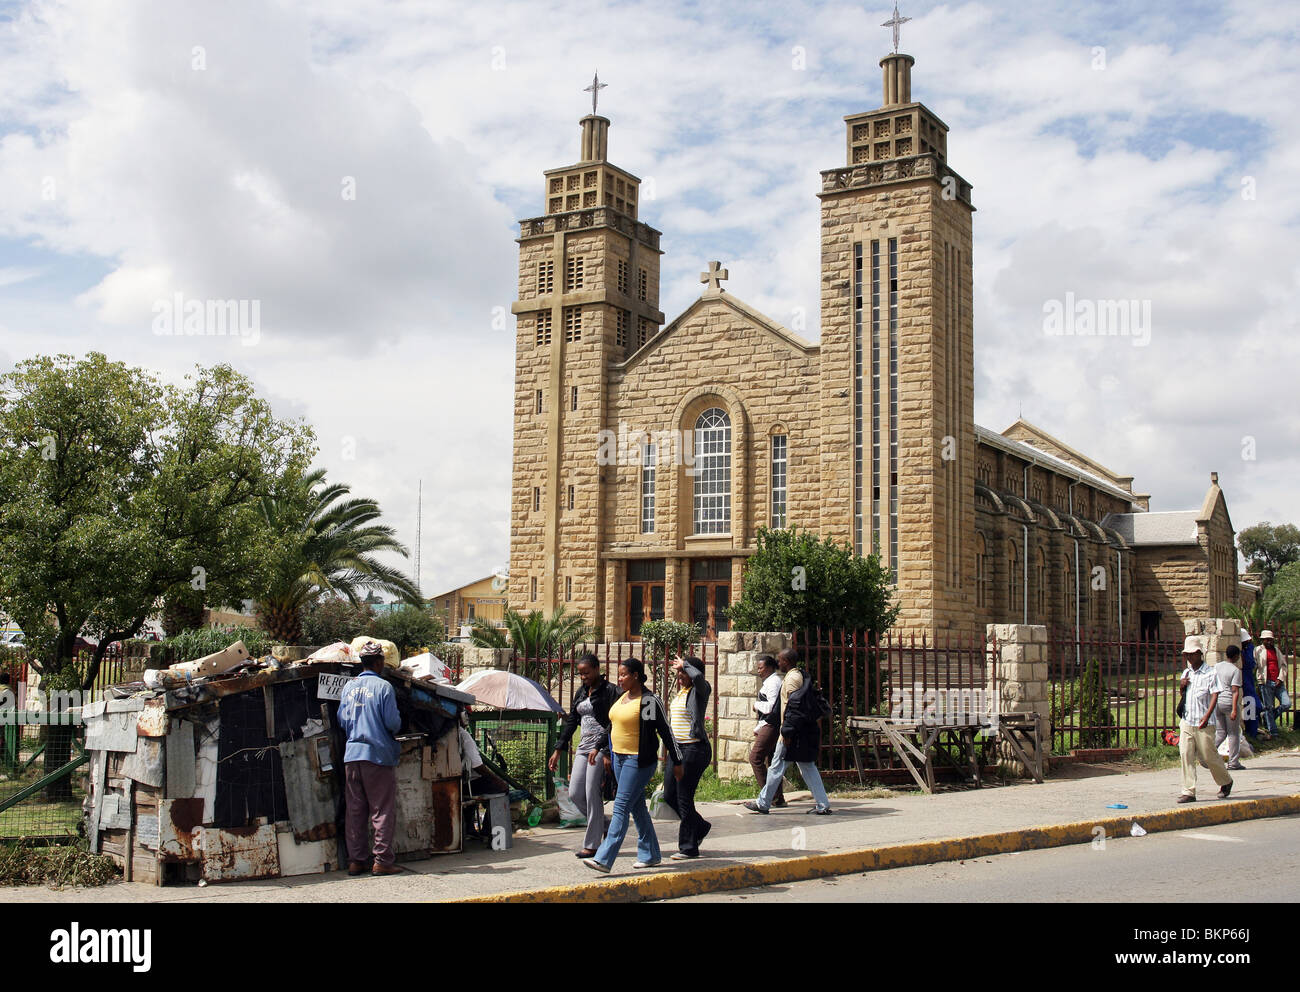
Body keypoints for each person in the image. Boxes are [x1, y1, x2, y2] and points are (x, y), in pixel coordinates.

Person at [583, 659, 682, 874]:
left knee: (620, 807)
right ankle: (651, 854)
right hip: (619, 759)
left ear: (636, 675)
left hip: (637, 761)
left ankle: (604, 858)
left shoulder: (648, 701)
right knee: (637, 808)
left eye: (623, 675)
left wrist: (677, 761)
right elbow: (612, 726)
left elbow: (665, 732)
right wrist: (599, 747)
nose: (619, 679)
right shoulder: (622, 697)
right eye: (618, 675)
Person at [337, 641, 403, 875]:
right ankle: (382, 861)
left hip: (352, 756)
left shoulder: (348, 687)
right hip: (377, 755)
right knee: (381, 810)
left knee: (355, 810)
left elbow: (342, 722)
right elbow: (393, 723)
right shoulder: (384, 687)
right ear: (378, 663)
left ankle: (356, 861)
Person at [745, 647, 832, 815]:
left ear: (786, 661)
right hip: (802, 732)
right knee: (807, 768)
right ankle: (822, 804)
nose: (778, 663)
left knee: (776, 767)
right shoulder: (800, 675)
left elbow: (795, 708)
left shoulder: (792, 679)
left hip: (792, 735)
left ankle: (763, 803)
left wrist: (787, 732)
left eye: (780, 660)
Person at [548, 653, 619, 858]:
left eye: (587, 672)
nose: (583, 677)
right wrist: (558, 749)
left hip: (600, 748)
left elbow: (614, 722)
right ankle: (606, 825)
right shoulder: (581, 692)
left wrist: (604, 749)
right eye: (580, 674)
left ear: (597, 669)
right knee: (576, 793)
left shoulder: (610, 691)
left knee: (592, 794)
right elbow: (572, 721)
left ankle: (592, 844)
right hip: (583, 747)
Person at [663, 656, 712, 859]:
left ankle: (689, 847)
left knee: (684, 797)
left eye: (683, 672)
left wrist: (686, 665)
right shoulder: (681, 693)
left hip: (694, 749)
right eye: (679, 672)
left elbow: (698, 676)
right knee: (669, 796)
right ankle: (700, 826)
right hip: (677, 750)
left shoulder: (701, 690)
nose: (680, 675)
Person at [1177, 636, 1233, 803]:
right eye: (1187, 654)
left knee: (1209, 756)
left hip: (1204, 722)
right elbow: (1184, 696)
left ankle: (1226, 781)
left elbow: (1215, 695)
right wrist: (1181, 686)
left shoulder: (1210, 673)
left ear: (1200, 654)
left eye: (1192, 654)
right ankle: (1188, 791)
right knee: (1185, 754)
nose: (1189, 657)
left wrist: (1207, 716)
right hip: (1187, 720)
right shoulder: (1186, 673)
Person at [748, 654, 787, 808]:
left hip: (771, 725)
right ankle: (778, 798)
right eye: (758, 668)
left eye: (761, 668)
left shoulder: (774, 682)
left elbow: (771, 707)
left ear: (770, 667)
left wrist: (756, 705)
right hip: (768, 724)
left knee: (755, 758)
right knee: (772, 762)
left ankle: (767, 796)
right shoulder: (770, 681)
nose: (759, 671)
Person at [1214, 644, 1244, 770]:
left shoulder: (1217, 666)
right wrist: (1234, 709)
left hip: (1217, 702)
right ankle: (1233, 762)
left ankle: (1205, 754)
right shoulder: (1235, 670)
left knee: (1220, 732)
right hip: (1228, 702)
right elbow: (1235, 691)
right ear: (1237, 656)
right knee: (1233, 733)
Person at [1255, 630, 1290, 737]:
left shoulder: (1276, 651)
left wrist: (1280, 678)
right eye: (1267, 640)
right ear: (1263, 640)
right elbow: (1255, 664)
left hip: (1278, 682)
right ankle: (1273, 731)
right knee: (1268, 707)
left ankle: (1267, 718)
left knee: (1286, 704)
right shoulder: (1258, 650)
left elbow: (1284, 665)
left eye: (1270, 640)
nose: (1269, 642)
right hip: (1265, 682)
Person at [1240, 630, 1260, 740]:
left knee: (1254, 706)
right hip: (1242, 679)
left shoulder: (1249, 648)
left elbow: (1250, 663)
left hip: (1248, 679)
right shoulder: (1240, 650)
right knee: (1250, 706)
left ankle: (1252, 733)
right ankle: (1250, 732)